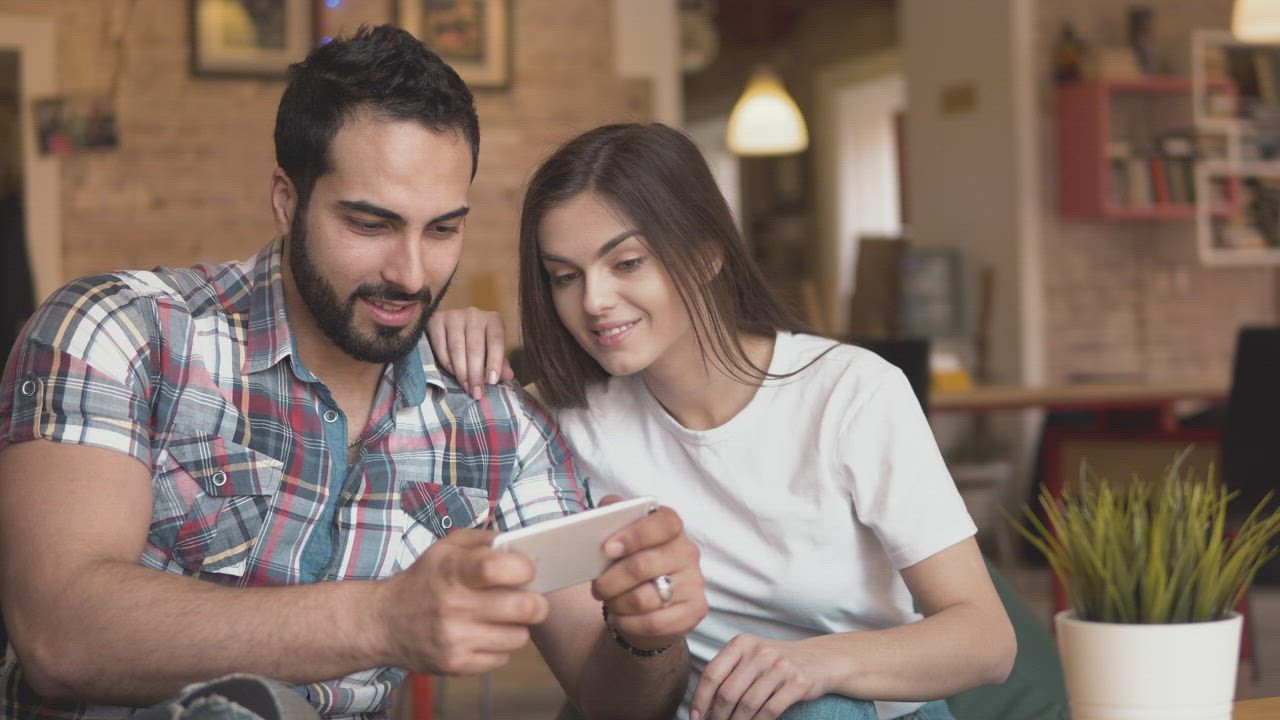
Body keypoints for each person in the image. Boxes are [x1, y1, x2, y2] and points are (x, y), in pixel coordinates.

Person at [0, 29, 707, 720]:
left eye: (441, 230)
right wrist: (382, 619)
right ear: (287, 199)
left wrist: (646, 634)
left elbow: (609, 694)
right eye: (370, 224)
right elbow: (60, 633)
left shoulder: (491, 421)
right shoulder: (119, 331)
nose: (410, 273)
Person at [428, 123, 1017, 720]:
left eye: (627, 262)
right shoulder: (565, 421)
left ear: (706, 254)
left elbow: (988, 641)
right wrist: (450, 340)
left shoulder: (850, 395)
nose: (594, 301)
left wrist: (819, 663)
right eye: (565, 276)